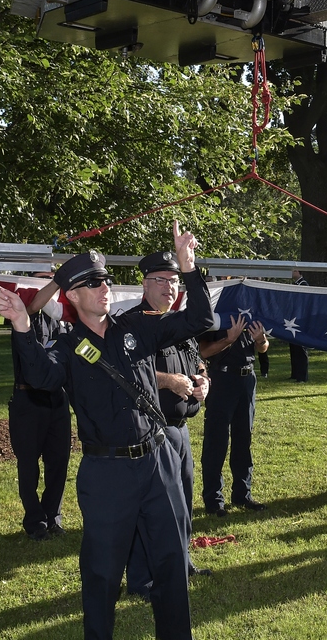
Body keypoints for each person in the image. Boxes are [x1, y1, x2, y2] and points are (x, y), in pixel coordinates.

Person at [0, 223, 210, 640]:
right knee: (103, 572)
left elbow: (201, 318)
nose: (104, 288)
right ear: (72, 295)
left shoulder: (136, 327)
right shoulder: (68, 348)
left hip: (158, 460)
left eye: (106, 280)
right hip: (107, 474)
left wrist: (189, 266)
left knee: (171, 563)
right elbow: (39, 375)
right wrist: (21, 324)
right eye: (93, 284)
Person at [125, 250, 212, 597]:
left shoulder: (180, 324)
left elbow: (198, 361)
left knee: (182, 501)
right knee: (150, 509)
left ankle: (181, 562)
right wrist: (168, 381)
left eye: (174, 281)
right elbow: (128, 373)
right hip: (149, 432)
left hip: (180, 428)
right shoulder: (132, 324)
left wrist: (204, 380)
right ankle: (142, 579)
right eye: (160, 280)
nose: (169, 287)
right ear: (144, 283)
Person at [8, 270, 71, 542]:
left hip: (57, 398)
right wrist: (56, 280)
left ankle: (52, 516)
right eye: (39, 279)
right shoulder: (22, 312)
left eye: (49, 278)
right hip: (28, 399)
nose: (45, 285)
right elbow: (33, 305)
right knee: (29, 464)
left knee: (58, 461)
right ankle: (34, 521)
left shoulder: (63, 318)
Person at [198, 310, 270, 517]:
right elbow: (203, 351)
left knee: (243, 439)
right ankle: (213, 500)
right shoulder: (216, 313)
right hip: (222, 380)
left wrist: (261, 340)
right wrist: (229, 339)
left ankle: (242, 494)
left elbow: (263, 348)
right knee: (217, 441)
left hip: (247, 380)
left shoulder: (250, 312)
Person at [288, 269, 309, 382]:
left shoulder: (303, 284)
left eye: (294, 271)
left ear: (300, 272)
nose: (292, 273)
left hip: (301, 321)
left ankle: (302, 375)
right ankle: (295, 373)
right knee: (294, 347)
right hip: (293, 320)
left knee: (301, 348)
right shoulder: (295, 284)